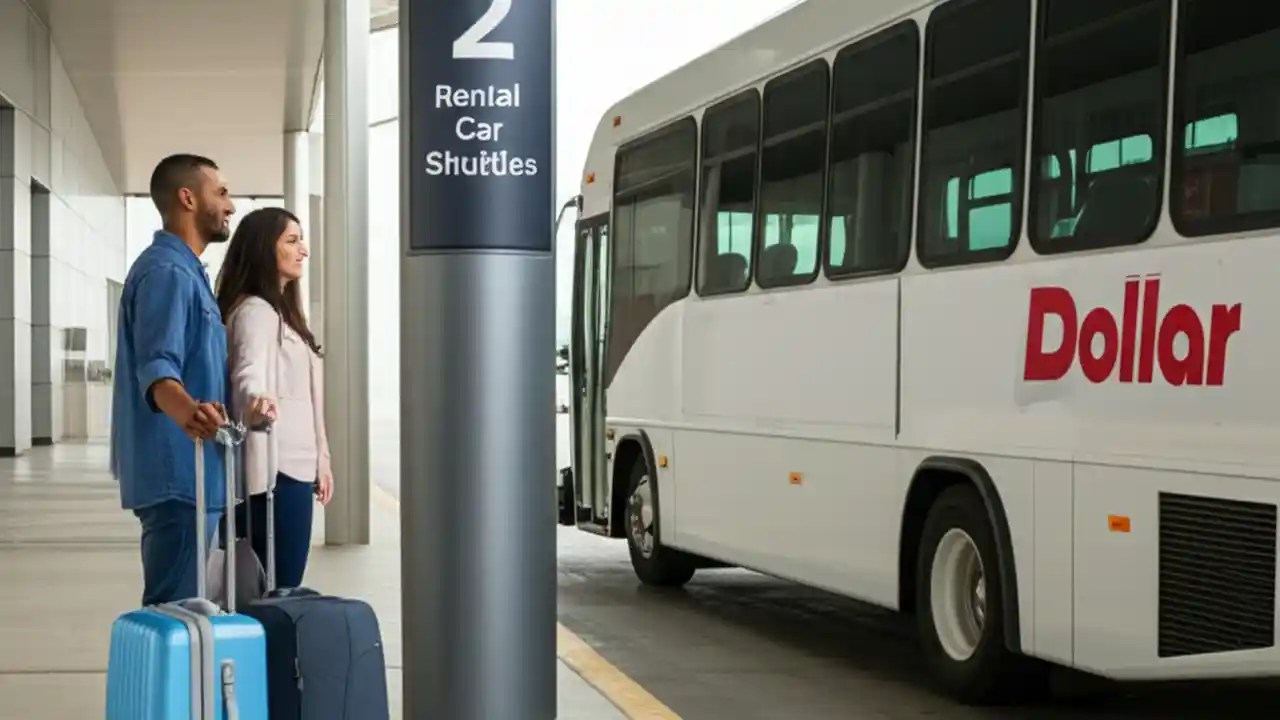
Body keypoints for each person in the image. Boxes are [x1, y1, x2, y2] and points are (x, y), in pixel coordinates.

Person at [110, 153, 263, 606]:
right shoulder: (168, 272)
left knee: (189, 614)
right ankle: (171, 682)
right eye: (221, 192)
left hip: (195, 478)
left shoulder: (187, 272)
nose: (231, 205)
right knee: (177, 614)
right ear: (187, 198)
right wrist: (191, 414)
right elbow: (158, 369)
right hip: (179, 478)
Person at [216, 206, 333, 590]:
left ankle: (271, 650)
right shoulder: (256, 311)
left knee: (280, 585)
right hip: (276, 474)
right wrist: (256, 401)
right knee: (278, 589)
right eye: (292, 240)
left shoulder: (282, 311)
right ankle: (271, 652)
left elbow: (307, 400)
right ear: (266, 249)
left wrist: (322, 460)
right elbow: (249, 370)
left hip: (295, 469)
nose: (304, 250)